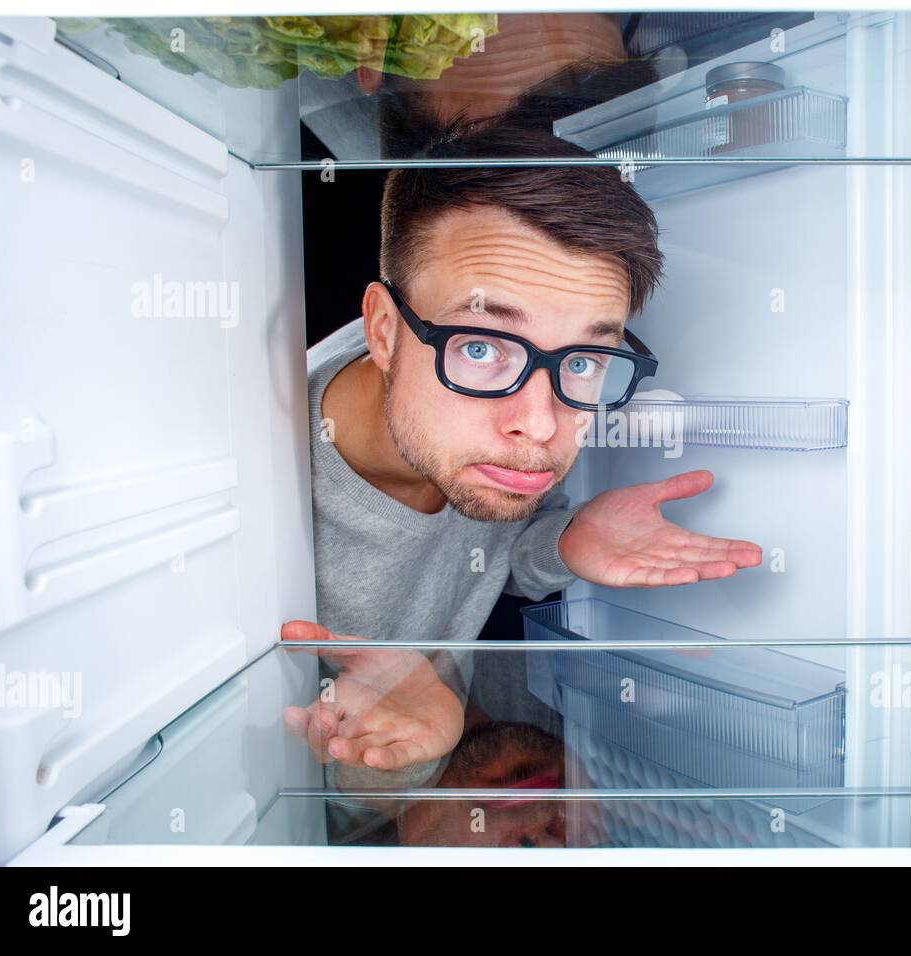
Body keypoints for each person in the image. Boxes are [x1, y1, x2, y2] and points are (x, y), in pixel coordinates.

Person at [282, 117, 762, 843]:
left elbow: (494, 548)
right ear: (383, 329)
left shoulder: (467, 430)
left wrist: (562, 542)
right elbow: (260, 775)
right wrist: (406, 752)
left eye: (583, 361)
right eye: (481, 347)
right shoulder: (257, 497)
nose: (539, 425)